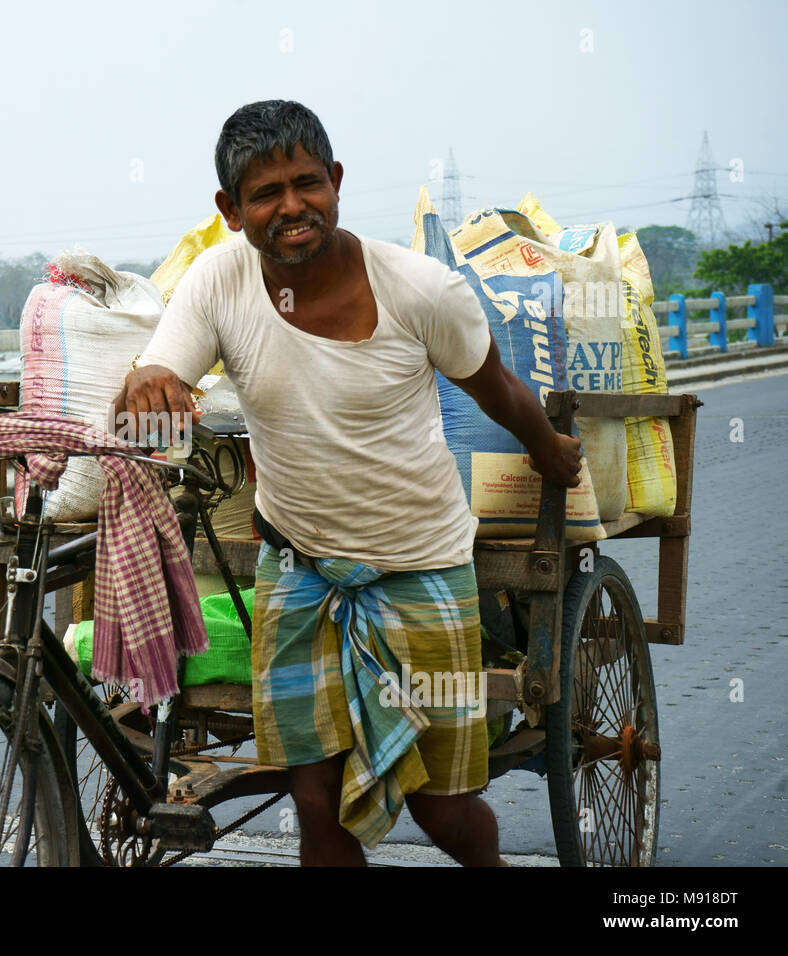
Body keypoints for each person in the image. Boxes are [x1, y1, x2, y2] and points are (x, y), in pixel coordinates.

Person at [110, 100, 583, 866]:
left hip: (420, 566)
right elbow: (168, 367)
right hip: (299, 572)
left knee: (440, 804)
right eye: (266, 194)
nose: (291, 207)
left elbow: (494, 386)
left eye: (306, 184)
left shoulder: (419, 289)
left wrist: (547, 449)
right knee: (314, 806)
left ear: (335, 182)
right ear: (232, 211)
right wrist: (148, 387)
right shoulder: (218, 282)